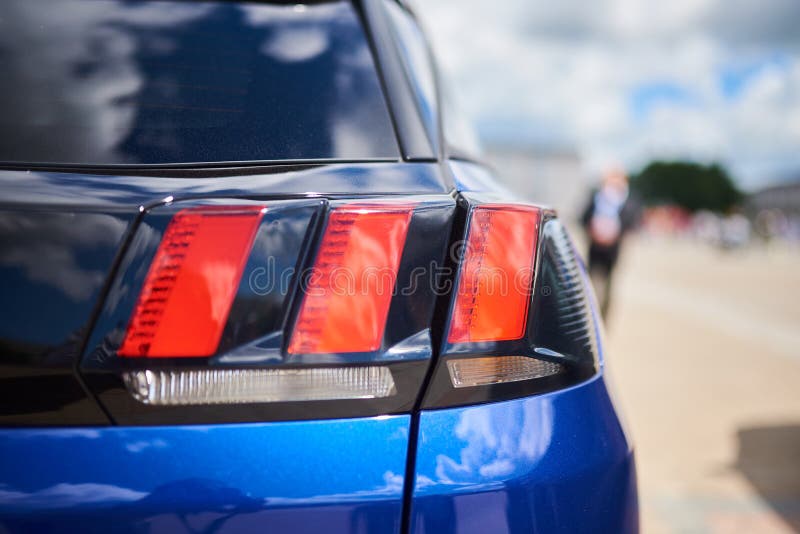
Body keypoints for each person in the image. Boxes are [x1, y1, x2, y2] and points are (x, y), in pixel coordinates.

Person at [581, 167, 640, 319]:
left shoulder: (629, 201)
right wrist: (593, 229)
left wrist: (615, 233)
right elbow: (583, 217)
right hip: (594, 249)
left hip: (613, 251)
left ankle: (603, 318)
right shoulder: (595, 197)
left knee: (608, 287)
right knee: (589, 285)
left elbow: (632, 223)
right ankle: (589, 316)